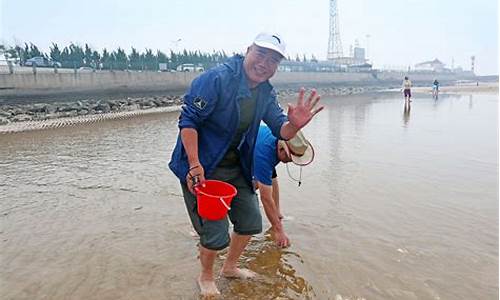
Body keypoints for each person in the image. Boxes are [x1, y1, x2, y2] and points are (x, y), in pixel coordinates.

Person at [168, 32, 323, 297]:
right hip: (203, 165)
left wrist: (294, 124)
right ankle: (205, 276)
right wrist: (194, 165)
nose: (265, 63)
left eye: (273, 60)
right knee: (215, 232)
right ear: (248, 50)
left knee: (251, 221)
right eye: (261, 54)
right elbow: (189, 121)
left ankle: (229, 267)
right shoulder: (217, 79)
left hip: (236, 165)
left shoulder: (265, 93)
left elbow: (280, 129)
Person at [253, 124, 315, 248]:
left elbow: (272, 178)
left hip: (255, 146)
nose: (292, 161)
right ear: (282, 150)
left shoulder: (279, 139)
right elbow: (265, 197)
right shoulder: (264, 153)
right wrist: (278, 230)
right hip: (236, 151)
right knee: (248, 192)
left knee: (264, 179)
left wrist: (277, 213)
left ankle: (276, 214)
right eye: (290, 158)